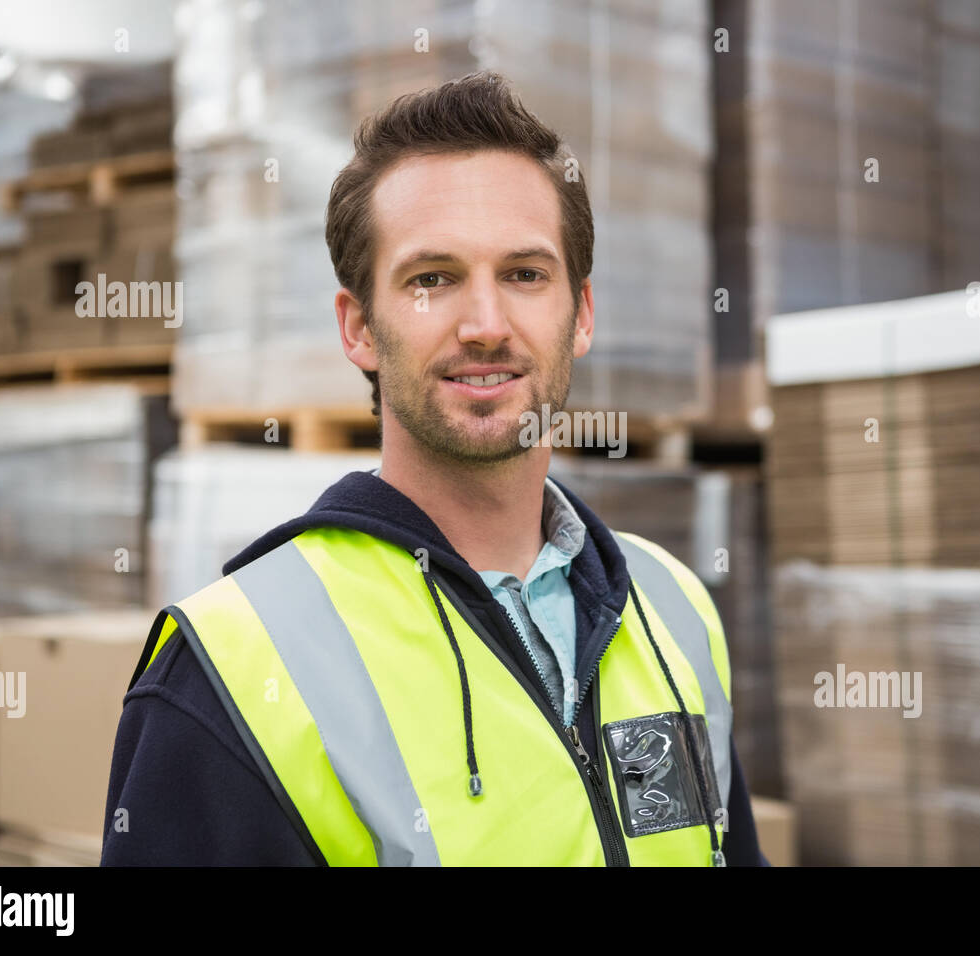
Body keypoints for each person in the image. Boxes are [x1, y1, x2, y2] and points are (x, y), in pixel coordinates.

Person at [102, 71, 767, 866]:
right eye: (432, 280)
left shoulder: (674, 612)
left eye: (525, 274)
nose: (486, 325)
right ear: (359, 328)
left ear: (580, 313)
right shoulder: (230, 672)